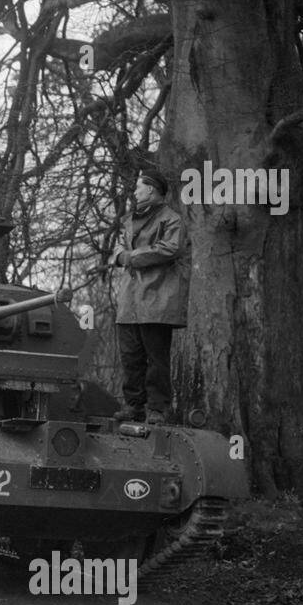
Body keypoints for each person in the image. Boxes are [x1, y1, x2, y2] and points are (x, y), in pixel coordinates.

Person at [111, 169, 189, 425]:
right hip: (129, 300)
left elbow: (170, 248)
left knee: (156, 358)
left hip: (157, 297)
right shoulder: (129, 219)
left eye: (138, 187)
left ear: (152, 189)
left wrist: (131, 257)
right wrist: (122, 255)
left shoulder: (172, 219)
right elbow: (118, 248)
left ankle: (157, 409)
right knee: (130, 357)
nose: (135, 192)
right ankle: (134, 407)